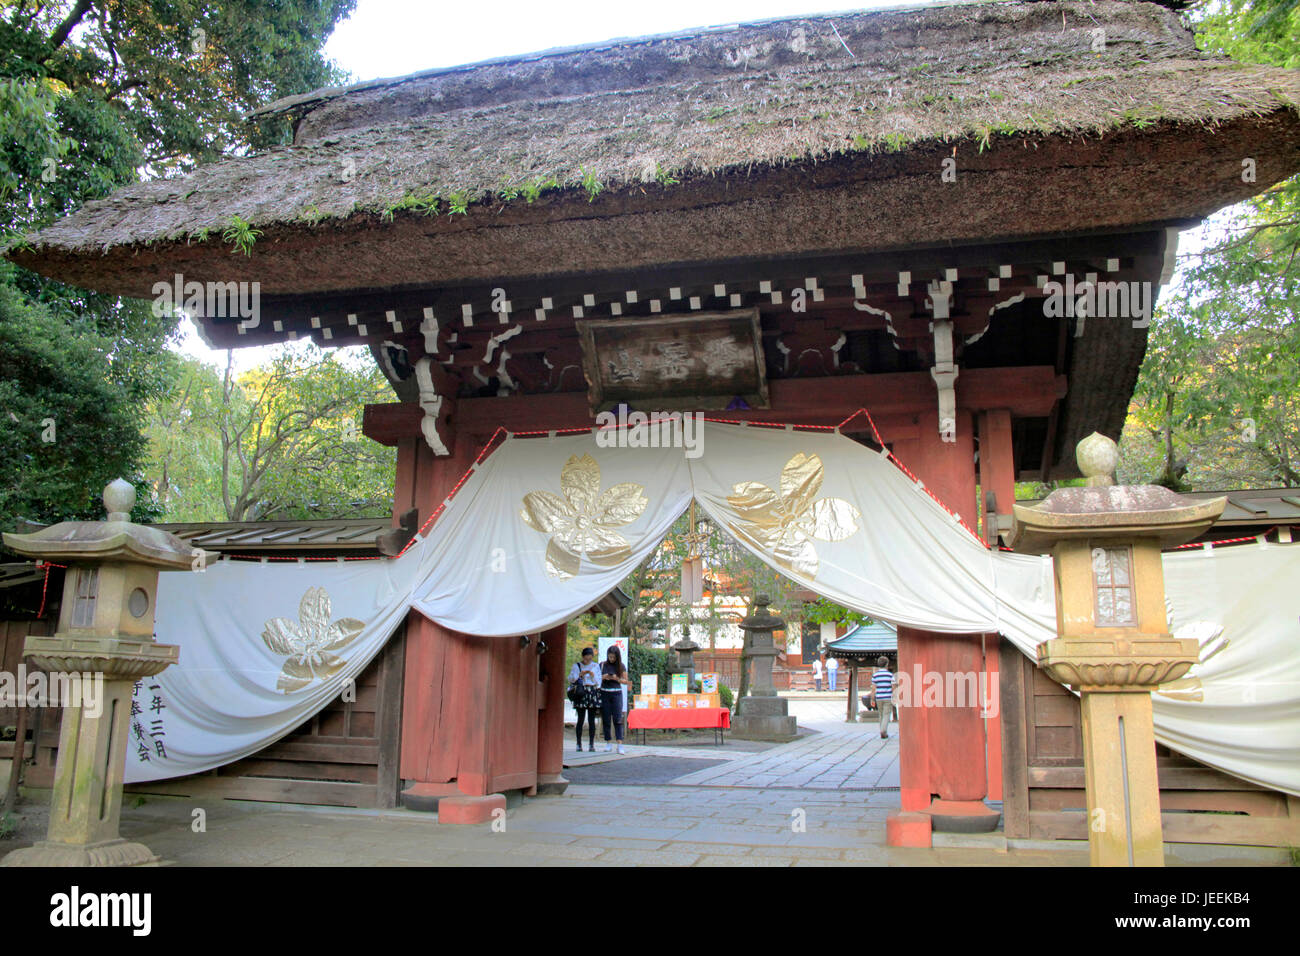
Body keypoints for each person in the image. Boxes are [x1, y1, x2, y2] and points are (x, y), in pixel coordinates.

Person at [568, 647, 602, 752]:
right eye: (586, 658)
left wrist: (592, 676)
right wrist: (579, 675)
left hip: (592, 691)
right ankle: (578, 743)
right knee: (580, 719)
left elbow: (598, 682)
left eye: (590, 658)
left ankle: (591, 744)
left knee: (591, 720)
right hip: (580, 691)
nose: (588, 660)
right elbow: (570, 679)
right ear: (583, 657)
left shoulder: (596, 666)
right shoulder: (577, 666)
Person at [599, 645, 630, 754]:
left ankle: (620, 744)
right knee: (606, 718)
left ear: (617, 657)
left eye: (613, 657)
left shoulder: (621, 666)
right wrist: (604, 677)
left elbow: (626, 681)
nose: (611, 659)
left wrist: (616, 678)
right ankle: (608, 742)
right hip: (604, 692)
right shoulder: (603, 665)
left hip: (616, 693)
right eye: (610, 656)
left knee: (618, 718)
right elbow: (596, 678)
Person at [870, 656, 895, 739]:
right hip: (887, 697)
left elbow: (873, 688)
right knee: (886, 714)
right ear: (887, 664)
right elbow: (893, 687)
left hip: (879, 697)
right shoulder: (890, 675)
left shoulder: (875, 675)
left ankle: (882, 730)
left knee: (881, 715)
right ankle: (883, 730)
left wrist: (872, 698)